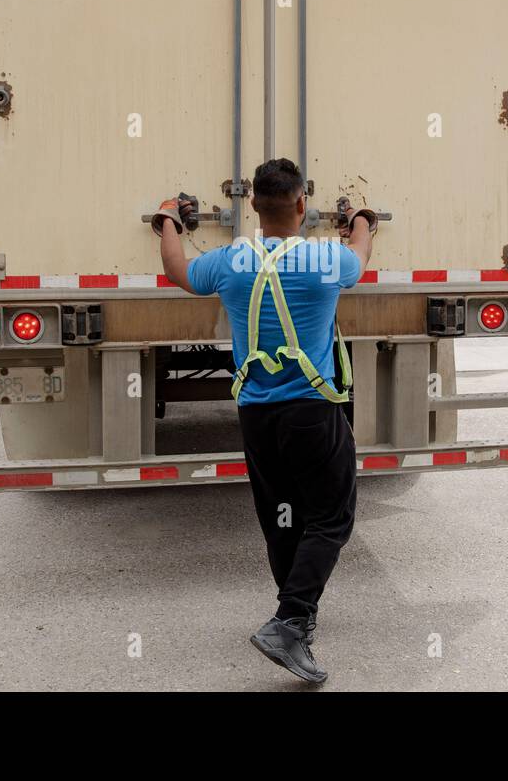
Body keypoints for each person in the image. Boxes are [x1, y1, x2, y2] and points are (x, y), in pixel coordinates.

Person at [153, 158, 376, 683]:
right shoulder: (328, 259)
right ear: (303, 205)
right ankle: (291, 620)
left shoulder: (230, 260)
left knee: (282, 515)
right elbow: (361, 254)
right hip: (313, 412)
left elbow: (178, 272)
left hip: (257, 414)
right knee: (332, 517)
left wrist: (168, 220)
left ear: (251, 205)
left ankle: (296, 616)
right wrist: (361, 218)